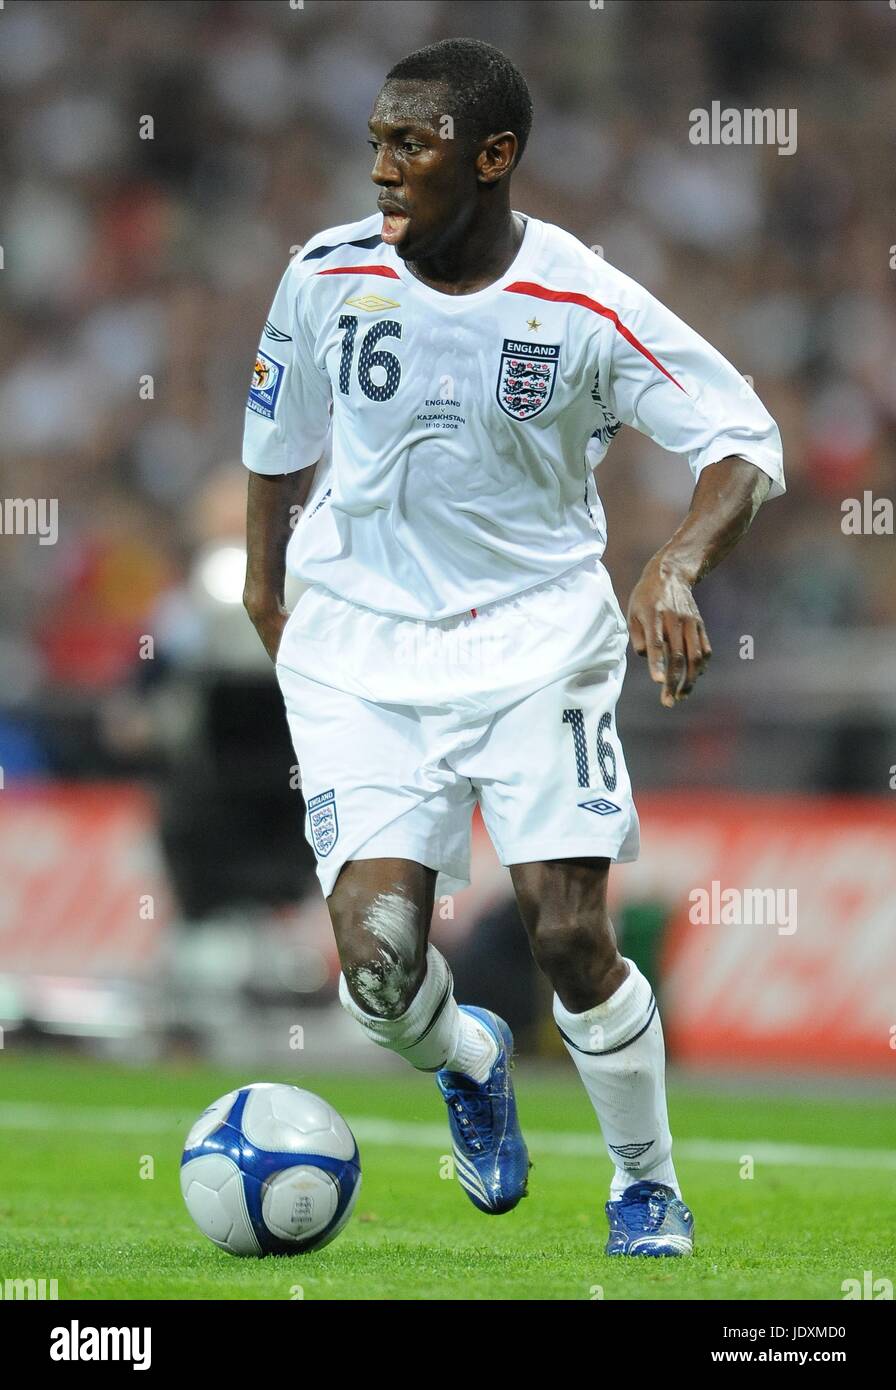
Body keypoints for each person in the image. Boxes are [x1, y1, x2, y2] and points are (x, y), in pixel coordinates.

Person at [242, 38, 784, 1256]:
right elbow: (276, 436)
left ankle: (642, 1179)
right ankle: (466, 1054)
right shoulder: (325, 273)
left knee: (568, 934)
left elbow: (742, 438)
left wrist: (676, 560)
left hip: (534, 637)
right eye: (375, 139)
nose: (380, 168)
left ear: (492, 158)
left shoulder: (581, 299)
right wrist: (263, 593)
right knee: (377, 974)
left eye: (410, 144)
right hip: (358, 649)